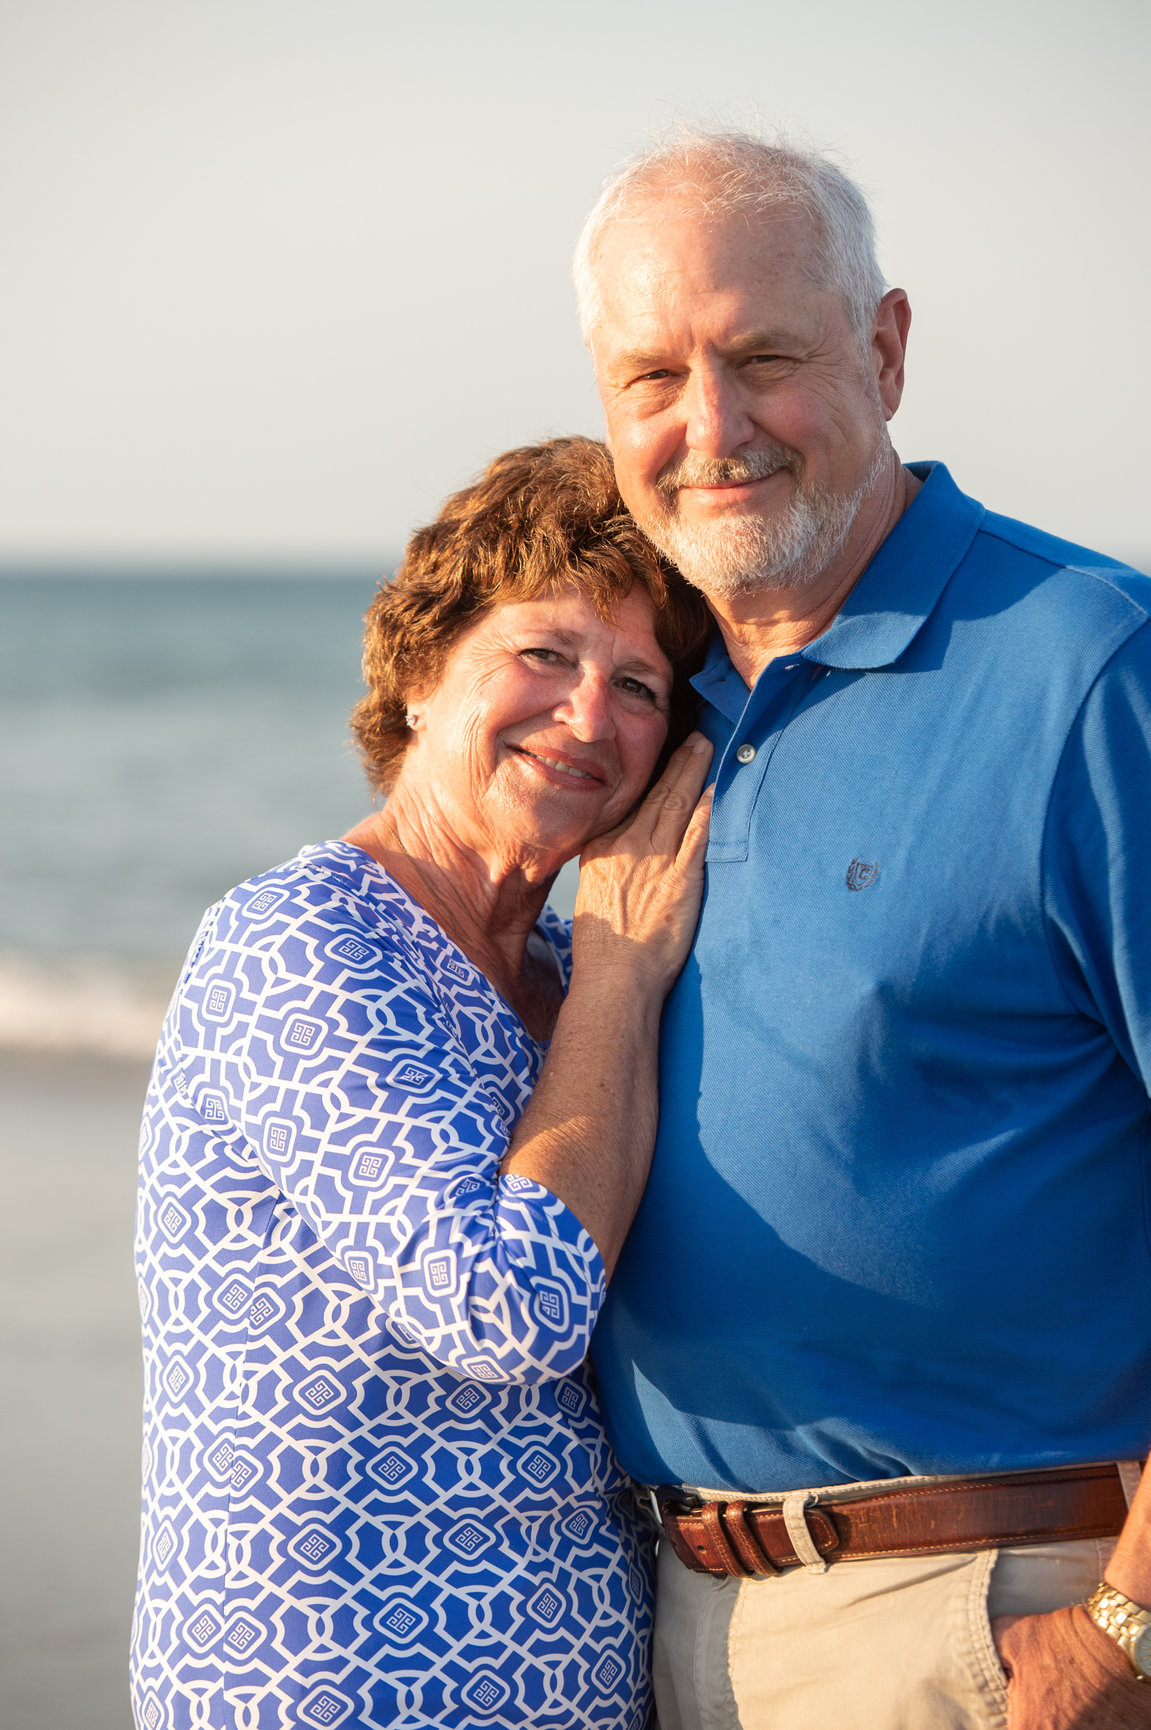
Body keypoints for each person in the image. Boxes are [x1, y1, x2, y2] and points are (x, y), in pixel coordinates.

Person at [573, 130, 1151, 1730]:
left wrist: (1125, 1634)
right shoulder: (636, 709)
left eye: (765, 356)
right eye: (653, 378)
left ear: (886, 348)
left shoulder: (1091, 668)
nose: (711, 427)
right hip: (678, 1622)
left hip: (998, 1612)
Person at [130, 436, 713, 1730]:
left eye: (638, 684)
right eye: (546, 654)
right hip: (331, 1684)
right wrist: (625, 972)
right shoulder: (302, 938)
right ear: (419, 671)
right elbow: (507, 1304)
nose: (587, 716)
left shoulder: (569, 972)